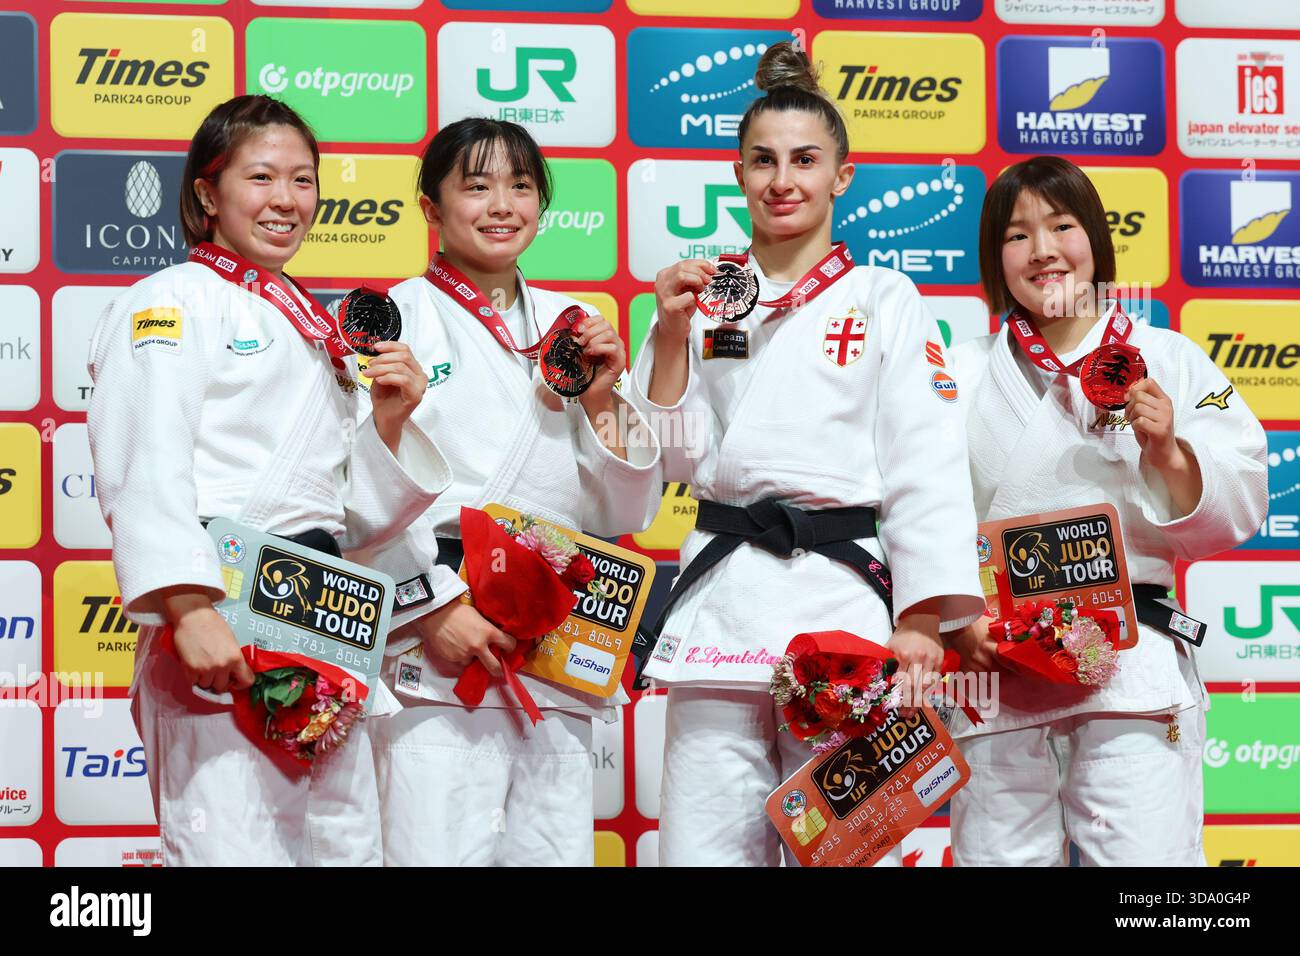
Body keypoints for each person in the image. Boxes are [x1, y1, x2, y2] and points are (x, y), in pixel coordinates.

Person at [627, 42, 986, 867]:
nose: (782, 180)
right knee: (700, 850)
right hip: (724, 603)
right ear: (739, 172)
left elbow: (925, 459)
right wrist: (671, 335)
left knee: (843, 853)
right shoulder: (711, 297)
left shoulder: (884, 295)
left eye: (804, 160)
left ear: (842, 176)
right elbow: (676, 462)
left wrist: (922, 618)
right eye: (762, 161)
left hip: (843, 606)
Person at [87, 95, 450, 866]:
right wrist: (186, 607)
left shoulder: (310, 327)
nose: (287, 200)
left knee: (344, 850)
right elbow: (144, 461)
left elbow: (349, 515)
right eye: (261, 177)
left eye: (304, 180)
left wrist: (387, 421)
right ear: (207, 193)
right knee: (234, 847)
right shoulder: (169, 300)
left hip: (324, 622)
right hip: (224, 614)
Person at [945, 156, 1268, 866]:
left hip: (1130, 669)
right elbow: (915, 508)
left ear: (1096, 237)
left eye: (1061, 226)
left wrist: (1170, 452)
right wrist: (951, 618)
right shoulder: (956, 371)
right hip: (996, 671)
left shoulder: (1165, 358)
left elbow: (1243, 491)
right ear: (997, 260)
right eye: (1018, 235)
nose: (1044, 250)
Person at [356, 118, 661, 866]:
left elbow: (627, 510)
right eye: (476, 185)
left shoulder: (574, 325)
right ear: (430, 206)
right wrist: (431, 607)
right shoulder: (396, 317)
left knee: (550, 851)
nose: (501, 204)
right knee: (434, 850)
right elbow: (361, 490)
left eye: (520, 186)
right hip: (440, 636)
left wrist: (600, 399)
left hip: (555, 637)